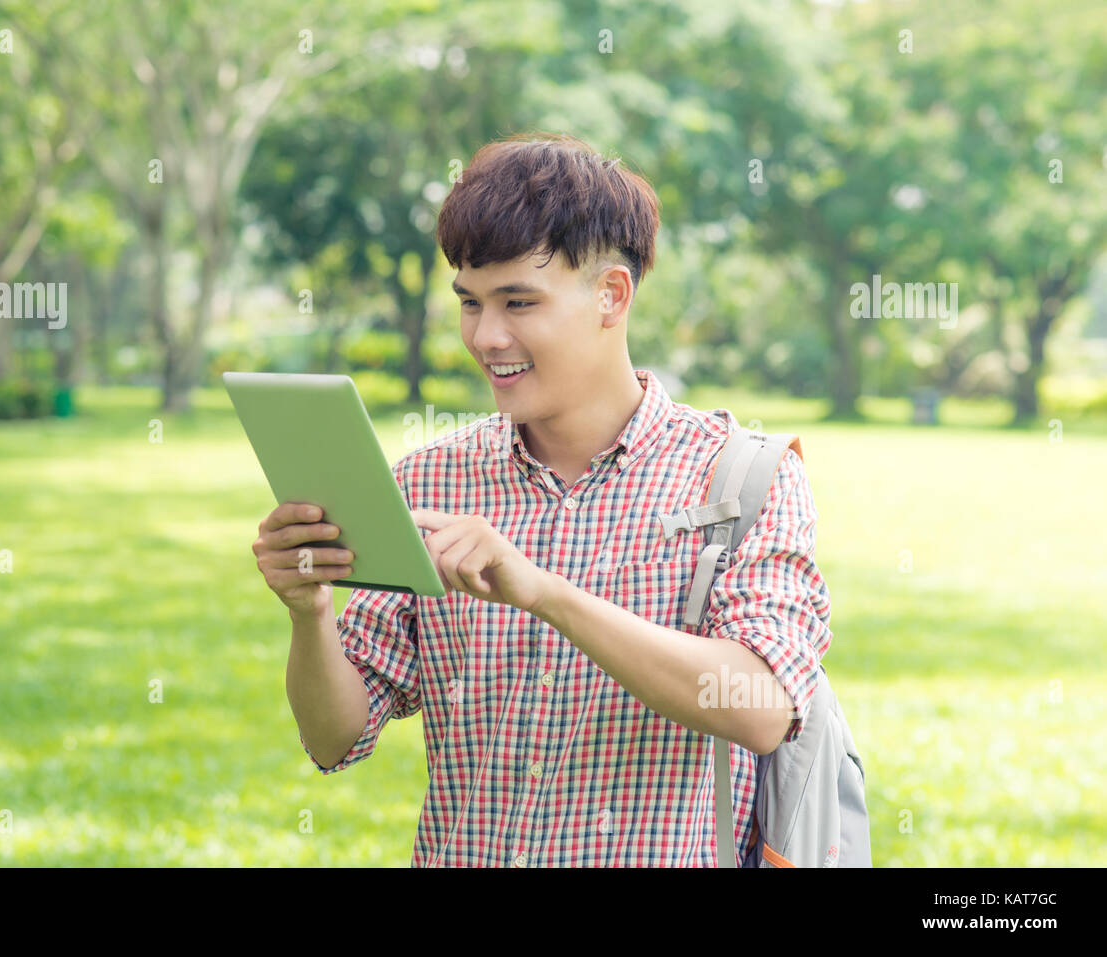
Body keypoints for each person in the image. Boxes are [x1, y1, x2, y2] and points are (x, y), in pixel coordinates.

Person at [251, 132, 833, 867]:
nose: (487, 336)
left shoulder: (745, 479)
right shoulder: (428, 482)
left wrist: (541, 591)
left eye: (518, 301)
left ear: (610, 296)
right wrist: (310, 612)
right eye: (469, 303)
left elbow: (761, 708)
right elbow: (335, 735)